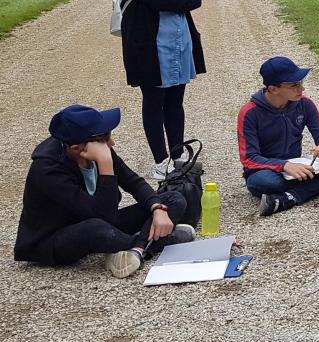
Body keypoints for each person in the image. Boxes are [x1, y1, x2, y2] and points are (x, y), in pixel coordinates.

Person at [14, 105, 195, 278]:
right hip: (54, 239)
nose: (111, 142)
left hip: (97, 219)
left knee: (173, 199)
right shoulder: (47, 170)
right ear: (78, 148)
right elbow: (103, 219)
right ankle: (153, 243)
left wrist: (157, 209)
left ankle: (133, 251)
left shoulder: (96, 148)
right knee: (97, 229)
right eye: (105, 137)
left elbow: (133, 182)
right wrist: (105, 165)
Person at [116, 0, 205, 181]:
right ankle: (160, 161)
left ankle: (178, 154)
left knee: (176, 100)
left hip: (179, 42)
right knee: (154, 101)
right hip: (151, 47)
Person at [237, 56, 319, 216]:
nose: (301, 89)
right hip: (268, 171)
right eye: (294, 85)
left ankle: (290, 197)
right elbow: (249, 158)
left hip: (299, 167)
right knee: (263, 183)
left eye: (301, 83)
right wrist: (284, 165)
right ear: (273, 89)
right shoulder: (249, 113)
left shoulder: (305, 104)